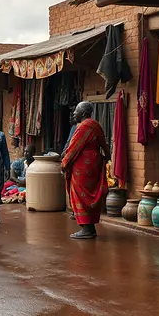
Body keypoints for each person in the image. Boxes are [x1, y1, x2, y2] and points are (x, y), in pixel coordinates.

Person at [62, 101, 110, 240]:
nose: (73, 113)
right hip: (94, 164)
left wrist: (64, 163)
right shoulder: (96, 125)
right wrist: (106, 157)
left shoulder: (83, 127)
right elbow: (104, 144)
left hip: (82, 166)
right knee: (89, 195)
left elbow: (73, 148)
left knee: (81, 195)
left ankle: (86, 229)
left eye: (76, 111)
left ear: (83, 113)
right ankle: (90, 227)